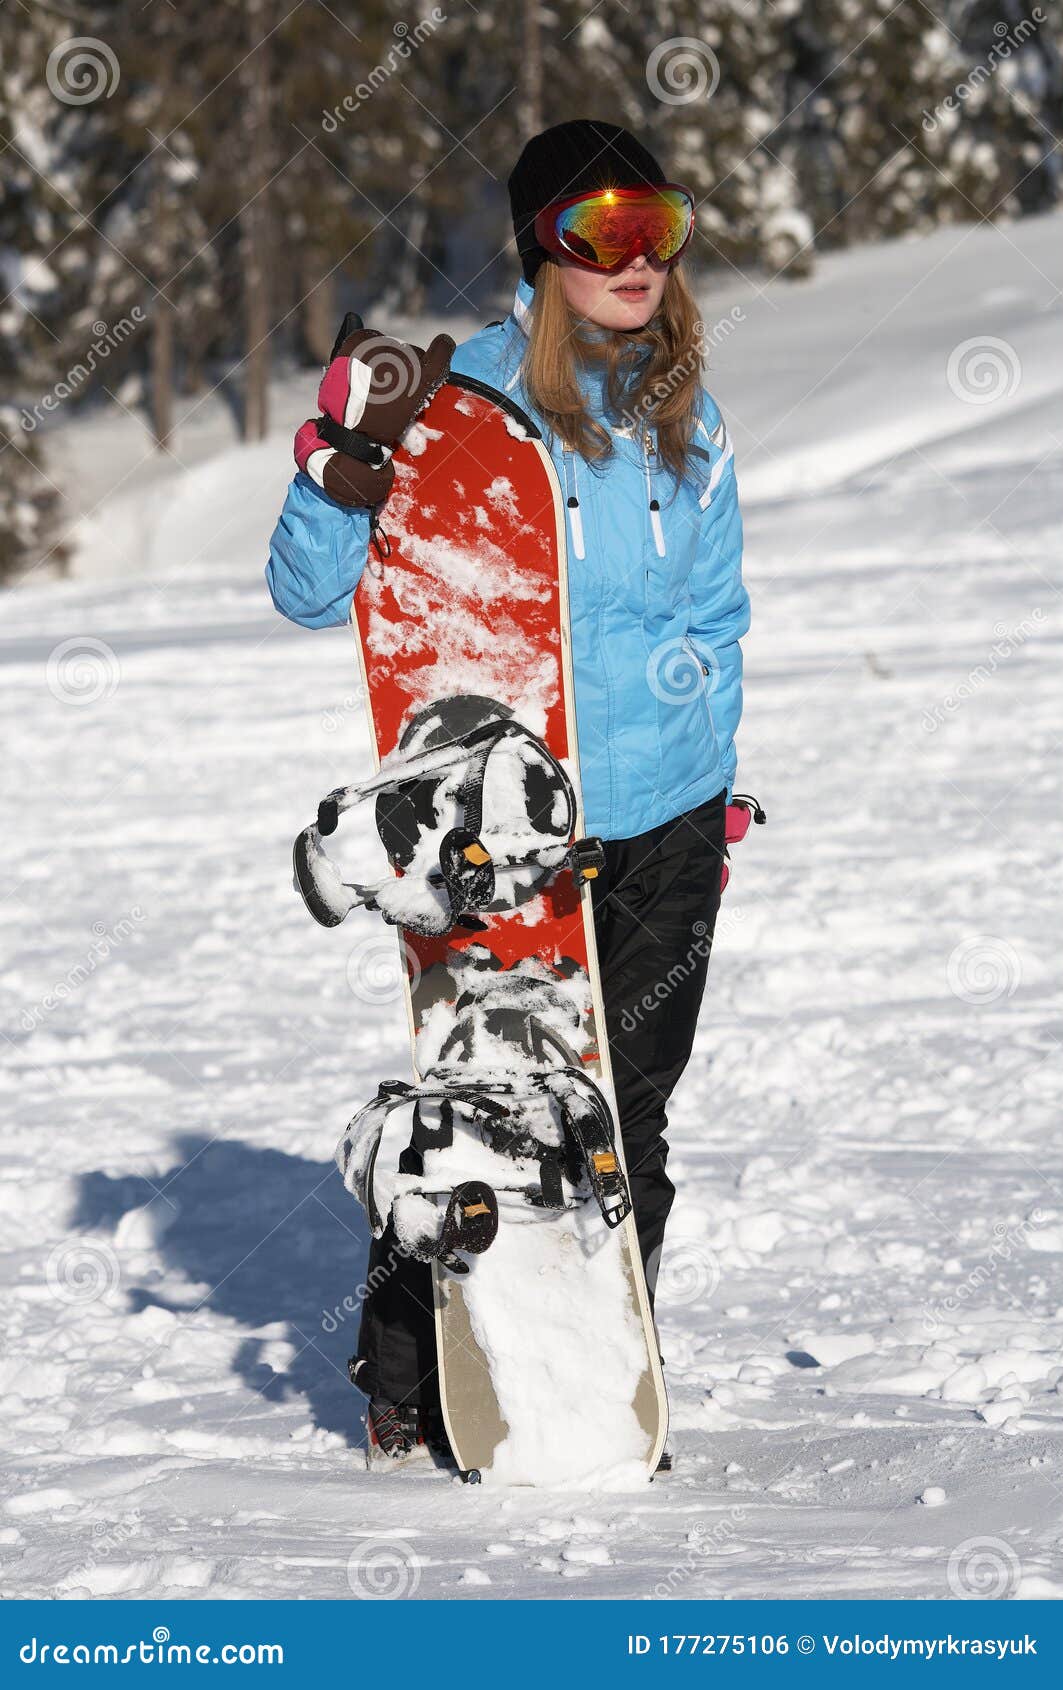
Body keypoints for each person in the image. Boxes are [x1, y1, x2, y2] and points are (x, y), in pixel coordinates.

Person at [266, 119, 750, 1466]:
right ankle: (412, 1363)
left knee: (621, 1123)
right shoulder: (457, 404)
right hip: (510, 834)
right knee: (483, 1107)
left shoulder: (687, 412)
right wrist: (338, 462)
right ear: (543, 246)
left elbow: (717, 611)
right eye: (600, 230)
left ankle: (593, 1363)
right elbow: (309, 590)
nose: (633, 259)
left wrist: (712, 785)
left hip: (667, 827)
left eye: (657, 227)